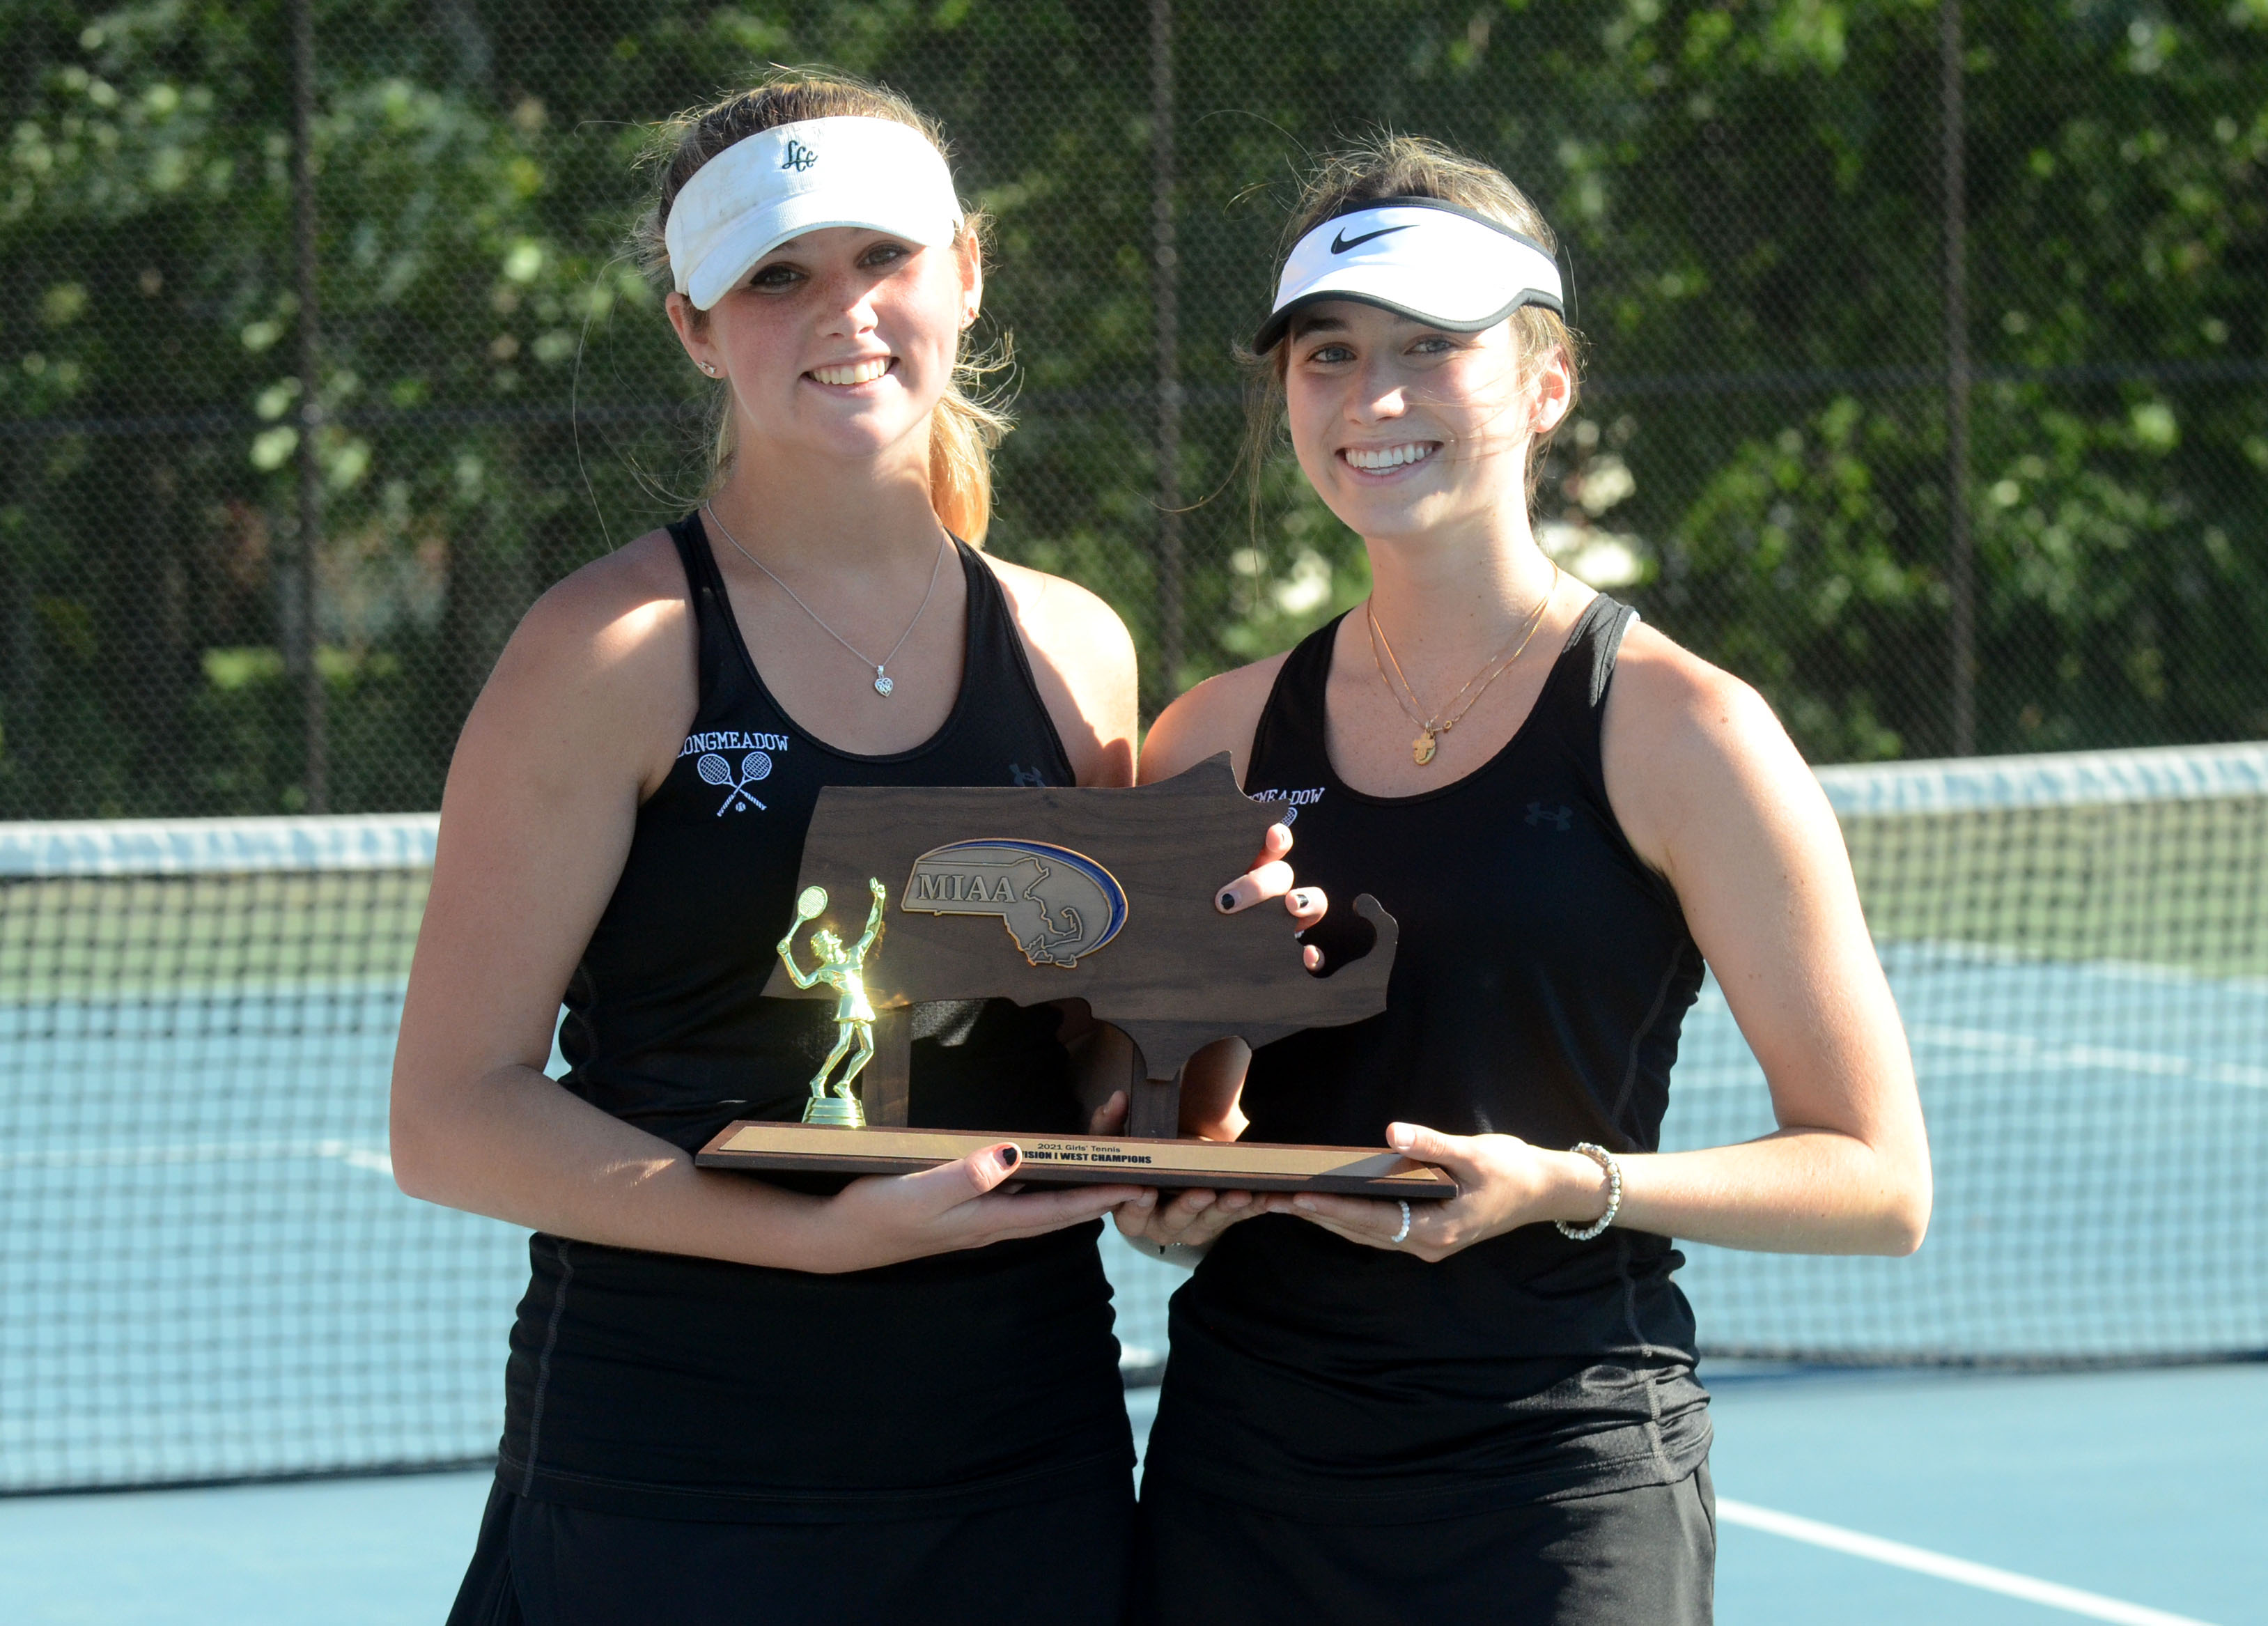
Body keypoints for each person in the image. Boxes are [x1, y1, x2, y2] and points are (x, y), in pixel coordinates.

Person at [389, 74, 1307, 1626]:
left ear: (964, 270)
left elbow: (1083, 1060)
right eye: (776, 277)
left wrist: (1192, 1073)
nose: (844, 313)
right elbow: (453, 1119)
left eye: (879, 258)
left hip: (1021, 1467)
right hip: (670, 1479)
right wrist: (812, 1248)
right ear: (694, 324)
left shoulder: (1073, 645)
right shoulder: (607, 650)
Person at [1119, 136, 1934, 1624]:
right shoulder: (1211, 735)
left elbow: (1878, 1183)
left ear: (1545, 382)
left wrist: (1562, 1186)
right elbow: (1177, 1117)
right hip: (1251, 1469)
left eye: (1432, 351)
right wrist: (1165, 1184)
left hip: (1557, 1481)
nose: (1373, 400)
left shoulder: (1686, 732)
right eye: (1329, 354)